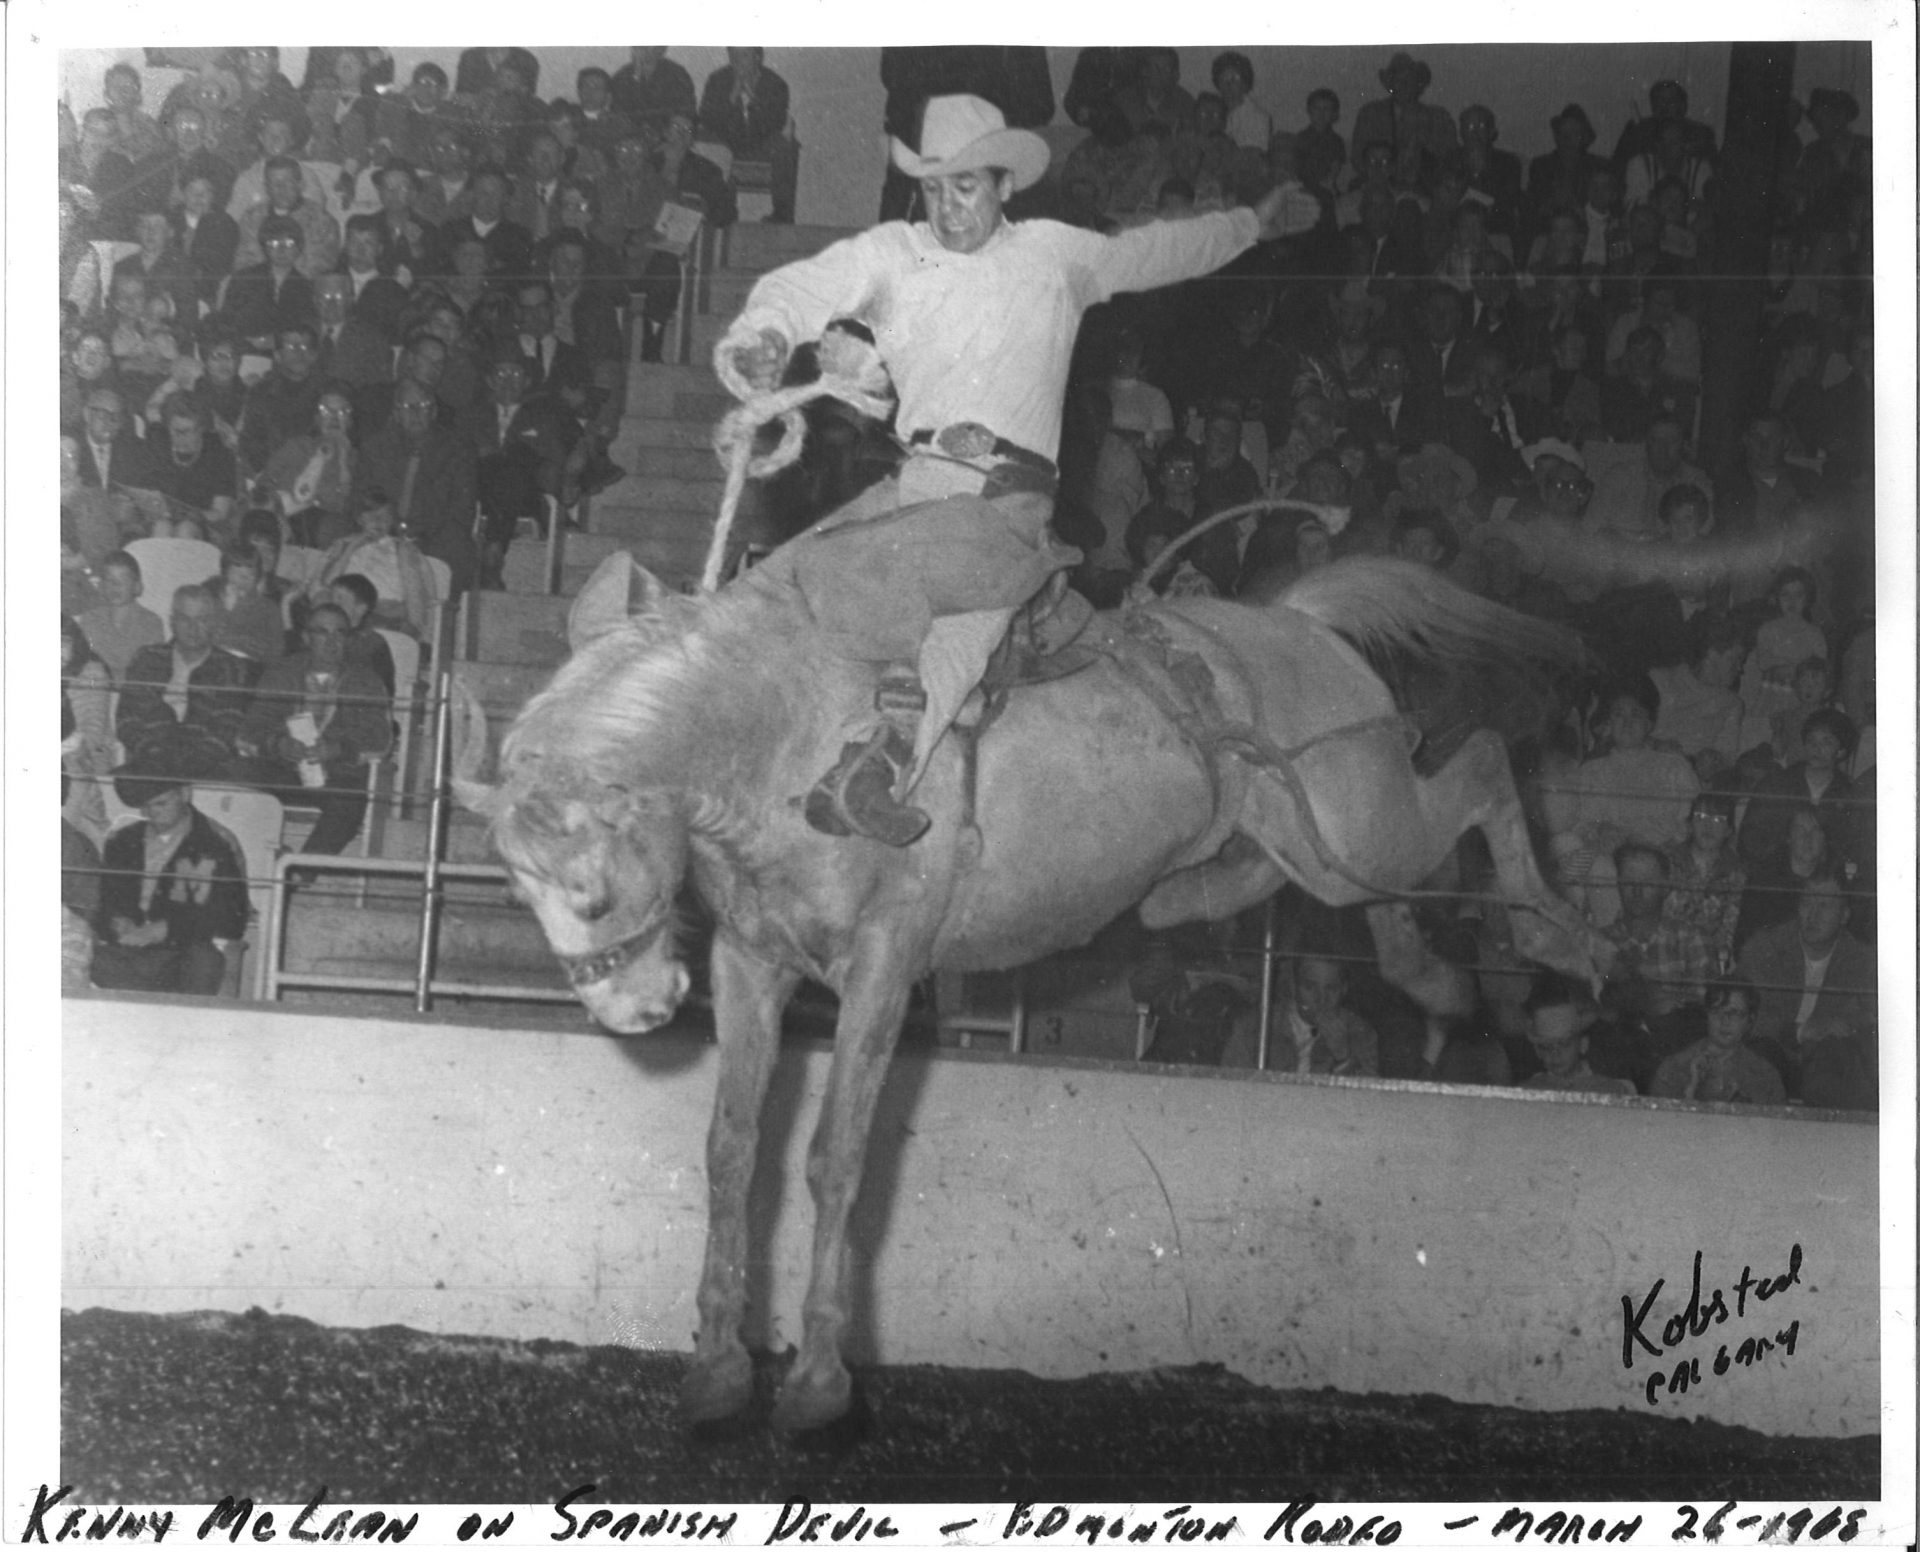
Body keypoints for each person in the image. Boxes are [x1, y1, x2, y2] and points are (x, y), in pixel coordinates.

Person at [718, 94, 1317, 844]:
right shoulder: (894, 255)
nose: (947, 208)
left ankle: (879, 764)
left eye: (965, 187)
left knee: (967, 625)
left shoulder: (1054, 256)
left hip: (1006, 501)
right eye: (934, 189)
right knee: (791, 577)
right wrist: (765, 332)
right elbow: (802, 286)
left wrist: (1251, 224)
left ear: (1004, 185)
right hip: (915, 481)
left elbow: (1158, 252)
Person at [89, 746, 249, 996]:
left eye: (161, 803)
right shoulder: (123, 841)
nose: (152, 813)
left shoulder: (215, 843)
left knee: (204, 961)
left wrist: (166, 929)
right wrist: (117, 922)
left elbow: (231, 918)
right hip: (130, 953)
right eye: (146, 806)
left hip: (182, 953)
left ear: (185, 794)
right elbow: (106, 902)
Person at [235, 602, 392, 855]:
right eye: (322, 632)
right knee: (234, 774)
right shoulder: (281, 673)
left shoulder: (366, 681)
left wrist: (337, 749)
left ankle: (297, 872)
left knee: (351, 799)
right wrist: (279, 744)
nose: (331, 642)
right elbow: (249, 730)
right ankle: (255, 859)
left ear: (348, 639)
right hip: (282, 770)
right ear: (306, 637)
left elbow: (380, 740)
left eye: (339, 633)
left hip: (335, 775)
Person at [115, 582, 255, 777]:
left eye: (202, 620)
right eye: (184, 619)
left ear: (213, 623)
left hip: (208, 767)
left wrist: (188, 767)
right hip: (150, 762)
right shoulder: (148, 658)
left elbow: (227, 727)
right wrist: (151, 753)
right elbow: (127, 719)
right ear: (172, 622)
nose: (193, 628)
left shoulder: (230, 667)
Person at [1220, 954, 1381, 1076]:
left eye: (1331, 989)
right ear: (1293, 986)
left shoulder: (1361, 1033)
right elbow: (1232, 1088)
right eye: (1310, 987)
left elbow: (1367, 1103)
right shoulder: (1255, 1026)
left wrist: (1343, 1056)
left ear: (1344, 990)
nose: (1321, 999)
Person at [1649, 976, 1786, 1106]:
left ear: (1750, 1020)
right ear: (1707, 1014)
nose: (1724, 1021)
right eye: (1716, 1011)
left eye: (1735, 1013)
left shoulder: (1766, 1076)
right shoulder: (1674, 1068)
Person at [698, 48, 798, 224]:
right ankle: (722, 212)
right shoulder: (717, 80)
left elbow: (776, 124)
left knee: (785, 148)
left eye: (744, 56)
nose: (738, 62)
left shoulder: (775, 83)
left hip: (761, 141)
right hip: (728, 141)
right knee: (714, 150)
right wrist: (732, 97)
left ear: (757, 58)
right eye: (733, 56)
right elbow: (707, 119)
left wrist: (754, 99)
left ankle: (782, 215)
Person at [1662, 790, 1746, 970]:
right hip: (1663, 949)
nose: (1708, 826)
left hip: (1707, 957)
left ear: (1729, 830)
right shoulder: (1667, 860)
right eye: (1701, 816)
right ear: (1690, 824)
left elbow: (1729, 927)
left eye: (1718, 820)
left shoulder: (1736, 872)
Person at [1520, 977, 1638, 1096]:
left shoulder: (1610, 1091)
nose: (1555, 1054)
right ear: (1537, 1051)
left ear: (1583, 1044)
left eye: (1564, 1044)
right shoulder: (1526, 1092)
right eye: (1546, 1046)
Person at [77, 549, 166, 680]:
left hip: (134, 692)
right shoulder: (89, 620)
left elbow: (152, 670)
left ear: (137, 586)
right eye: (109, 580)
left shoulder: (151, 622)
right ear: (101, 585)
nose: (115, 586)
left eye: (122, 580)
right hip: (99, 691)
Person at [211, 545, 287, 664]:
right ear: (225, 574)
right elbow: (212, 641)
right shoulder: (214, 603)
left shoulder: (268, 608)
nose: (244, 579)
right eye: (237, 573)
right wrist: (227, 610)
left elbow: (276, 650)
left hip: (254, 667)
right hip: (220, 664)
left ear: (257, 577)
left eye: (250, 574)